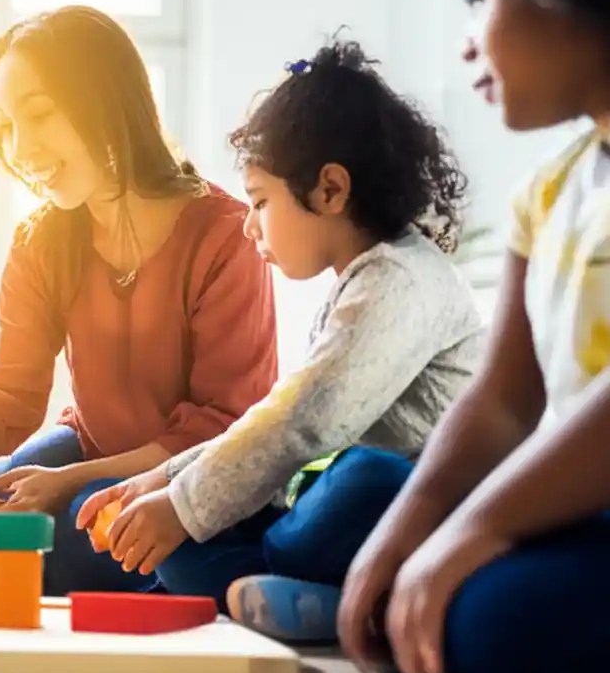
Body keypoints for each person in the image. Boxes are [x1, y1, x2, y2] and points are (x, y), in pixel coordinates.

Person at [0, 5, 279, 596]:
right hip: (92, 448)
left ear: (107, 100)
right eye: (6, 127)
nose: (20, 148)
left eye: (38, 115)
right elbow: (8, 399)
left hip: (198, 473)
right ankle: (166, 572)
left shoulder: (226, 234)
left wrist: (70, 481)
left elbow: (219, 430)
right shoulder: (42, 240)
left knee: (79, 537)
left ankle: (191, 563)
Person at [75, 39, 484, 641]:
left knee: (359, 482)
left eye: (260, 201)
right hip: (336, 526)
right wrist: (168, 482)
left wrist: (185, 502)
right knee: (186, 546)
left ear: (330, 190)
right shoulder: (358, 281)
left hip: (417, 512)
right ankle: (323, 601)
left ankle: (346, 600)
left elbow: (306, 421)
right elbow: (281, 413)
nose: (248, 224)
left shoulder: (401, 279)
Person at [337, 0, 610, 673]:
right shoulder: (547, 194)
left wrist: (475, 526)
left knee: (486, 620)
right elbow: (502, 399)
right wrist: (417, 520)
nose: (465, 45)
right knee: (376, 507)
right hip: (576, 508)